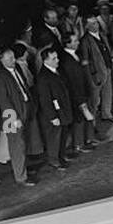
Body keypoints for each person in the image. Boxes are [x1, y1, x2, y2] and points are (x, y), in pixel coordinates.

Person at [0, 47, 36, 188]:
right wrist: (14, 118)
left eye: (13, 57)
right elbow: (4, 101)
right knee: (16, 146)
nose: (13, 60)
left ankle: (23, 169)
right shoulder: (0, 78)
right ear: (2, 60)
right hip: (10, 117)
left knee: (23, 143)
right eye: (9, 58)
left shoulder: (16, 69)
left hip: (23, 110)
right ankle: (21, 177)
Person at [34, 46, 75, 174]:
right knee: (54, 138)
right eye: (54, 58)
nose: (57, 60)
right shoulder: (43, 78)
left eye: (56, 57)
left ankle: (61, 156)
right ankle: (54, 160)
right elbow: (45, 100)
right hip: (54, 115)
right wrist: (53, 117)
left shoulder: (56, 71)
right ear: (46, 61)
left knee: (62, 135)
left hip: (62, 110)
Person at [59, 31, 100, 153]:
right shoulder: (66, 60)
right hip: (76, 95)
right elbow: (72, 82)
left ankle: (88, 139)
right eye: (75, 41)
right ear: (68, 44)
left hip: (83, 91)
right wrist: (80, 99)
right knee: (79, 120)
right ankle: (78, 144)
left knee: (85, 116)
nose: (78, 42)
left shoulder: (76, 55)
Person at [79, 13, 113, 125]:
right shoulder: (85, 41)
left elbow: (109, 49)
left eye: (96, 22)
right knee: (95, 101)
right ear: (87, 26)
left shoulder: (102, 35)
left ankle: (107, 114)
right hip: (96, 74)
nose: (97, 25)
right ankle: (92, 124)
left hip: (107, 69)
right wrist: (91, 77)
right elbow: (85, 62)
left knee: (107, 94)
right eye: (93, 23)